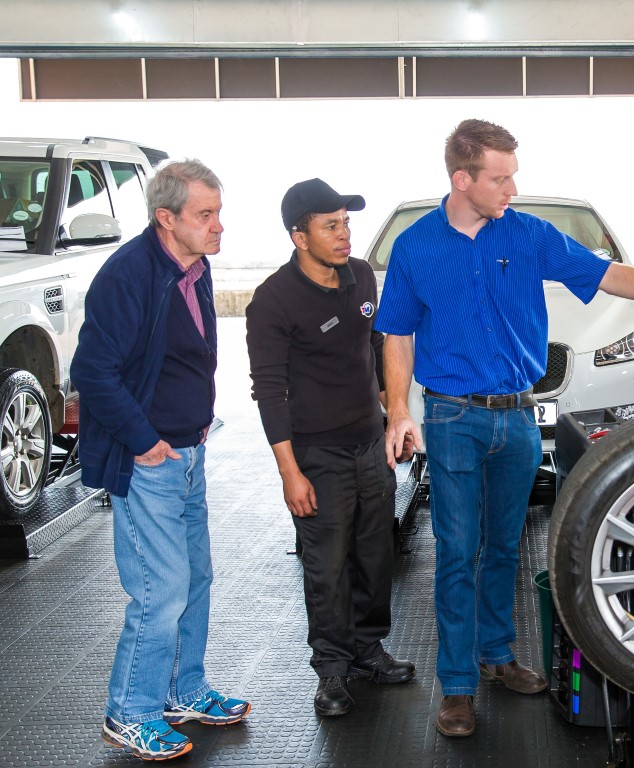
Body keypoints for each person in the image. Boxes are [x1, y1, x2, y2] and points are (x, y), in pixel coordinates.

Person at [375, 118, 634, 739]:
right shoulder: (415, 247)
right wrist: (398, 409)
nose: (511, 188)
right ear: (461, 179)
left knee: (505, 548)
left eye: (513, 174)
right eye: (500, 177)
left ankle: (497, 657)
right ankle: (458, 688)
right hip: (452, 418)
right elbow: (397, 334)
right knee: (457, 554)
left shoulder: (528, 236)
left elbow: (608, 276)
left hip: (518, 417)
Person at [72, 159, 249, 762]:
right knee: (160, 588)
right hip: (150, 459)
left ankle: (183, 690)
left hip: (190, 451)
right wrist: (145, 441)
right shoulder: (127, 275)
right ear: (165, 218)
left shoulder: (193, 268)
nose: (218, 226)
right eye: (206, 215)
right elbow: (91, 372)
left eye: (218, 212)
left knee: (194, 578)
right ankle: (131, 713)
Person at [244, 178, 416, 719]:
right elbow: (268, 391)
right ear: (300, 236)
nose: (345, 236)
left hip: (370, 445)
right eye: (331, 226)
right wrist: (290, 472)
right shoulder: (273, 301)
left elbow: (374, 346)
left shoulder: (362, 276)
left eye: (346, 223)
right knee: (326, 565)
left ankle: (368, 650)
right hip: (317, 455)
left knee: (375, 553)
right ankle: (333, 671)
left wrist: (395, 416)